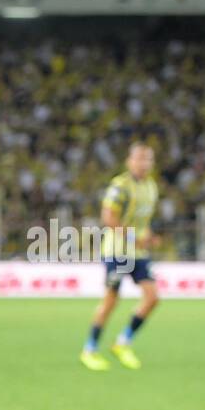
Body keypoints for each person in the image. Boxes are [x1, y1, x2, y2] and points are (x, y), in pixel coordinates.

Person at [80, 143, 160, 371]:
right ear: (129, 161)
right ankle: (89, 349)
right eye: (139, 159)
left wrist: (149, 237)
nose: (144, 164)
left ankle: (123, 342)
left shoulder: (151, 187)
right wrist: (134, 237)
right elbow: (108, 217)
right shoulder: (120, 186)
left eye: (148, 160)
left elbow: (142, 221)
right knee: (111, 300)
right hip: (117, 251)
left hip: (139, 253)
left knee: (152, 298)